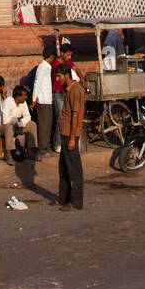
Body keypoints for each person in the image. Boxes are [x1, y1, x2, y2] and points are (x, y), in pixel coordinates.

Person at [55, 62, 85, 211]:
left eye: (59, 76)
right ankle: (63, 198)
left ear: (66, 75)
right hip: (65, 133)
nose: (57, 80)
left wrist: (73, 138)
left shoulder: (75, 91)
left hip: (70, 134)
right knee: (64, 168)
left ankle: (76, 202)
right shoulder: (69, 90)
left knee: (74, 169)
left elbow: (75, 115)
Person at [0, 86, 38, 162]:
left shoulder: (23, 103)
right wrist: (16, 122)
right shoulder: (7, 102)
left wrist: (21, 123)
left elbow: (28, 116)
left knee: (32, 125)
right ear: (18, 97)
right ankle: (8, 154)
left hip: (16, 126)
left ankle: (30, 152)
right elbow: (5, 121)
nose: (26, 97)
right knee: (9, 126)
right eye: (24, 95)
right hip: (0, 127)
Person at [51, 38, 79, 154]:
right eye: (67, 55)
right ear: (62, 54)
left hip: (65, 93)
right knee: (60, 118)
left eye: (70, 55)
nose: (69, 57)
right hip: (57, 93)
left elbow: (75, 68)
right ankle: (57, 144)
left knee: (65, 117)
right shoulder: (56, 65)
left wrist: (81, 79)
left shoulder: (68, 63)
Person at [32, 43, 57, 157]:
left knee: (48, 124)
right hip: (42, 100)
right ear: (51, 57)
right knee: (44, 125)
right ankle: (42, 149)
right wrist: (34, 99)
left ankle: (45, 146)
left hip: (47, 99)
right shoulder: (42, 67)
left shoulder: (46, 67)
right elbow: (37, 83)